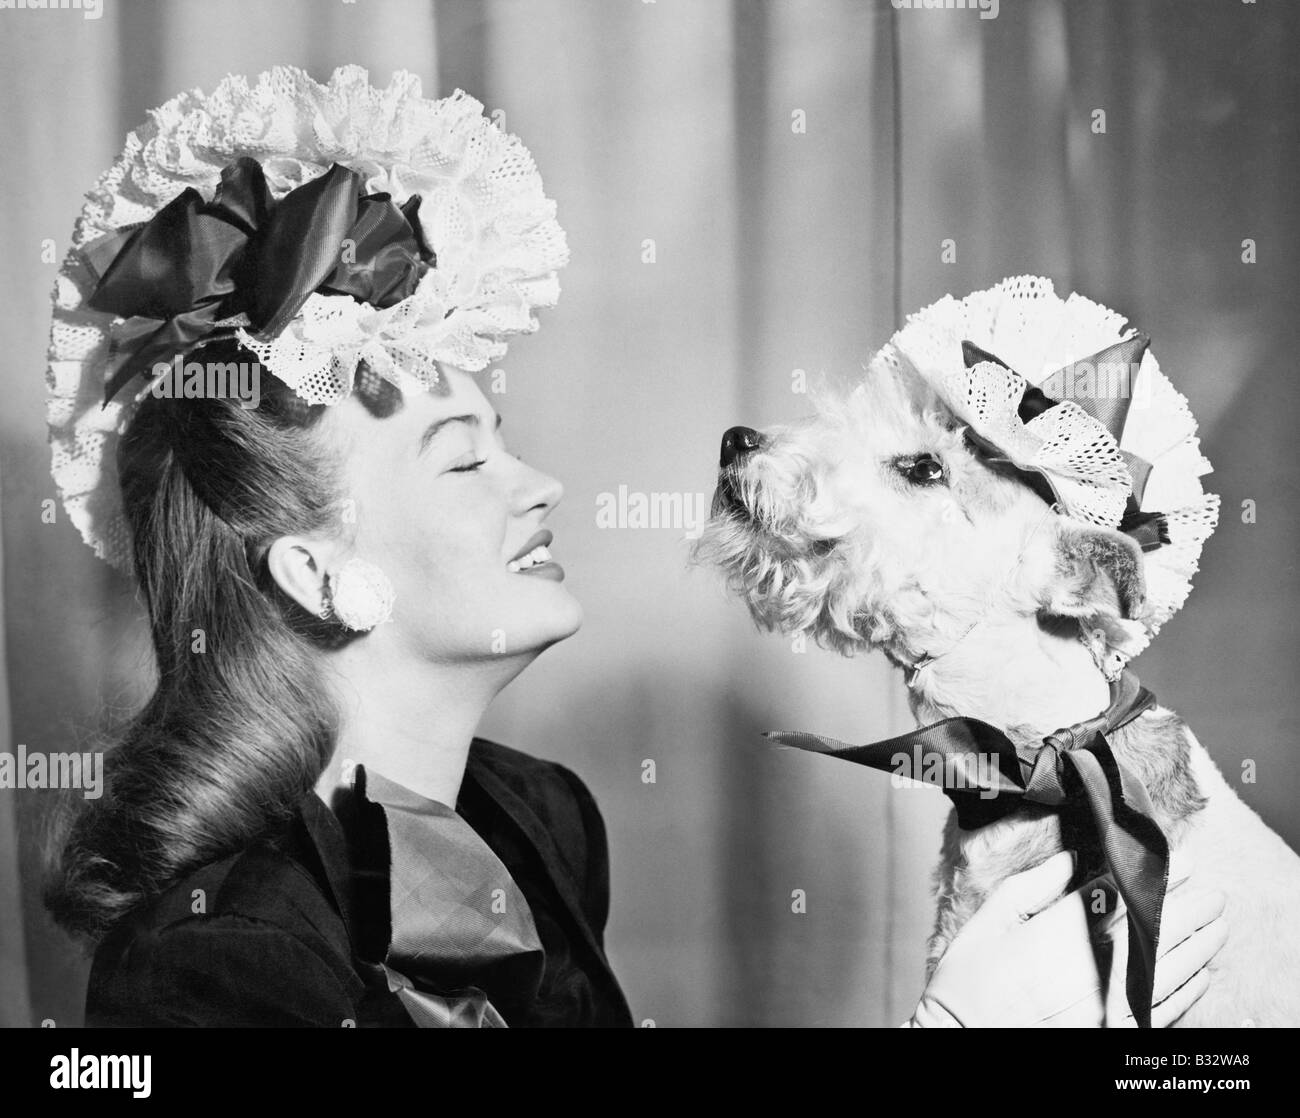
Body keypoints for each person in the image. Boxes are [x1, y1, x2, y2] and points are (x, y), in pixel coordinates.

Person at [42, 66, 1225, 1028]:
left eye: (503, 440)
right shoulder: (201, 970)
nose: (542, 482)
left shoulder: (540, 817)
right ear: (318, 572)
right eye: (465, 457)